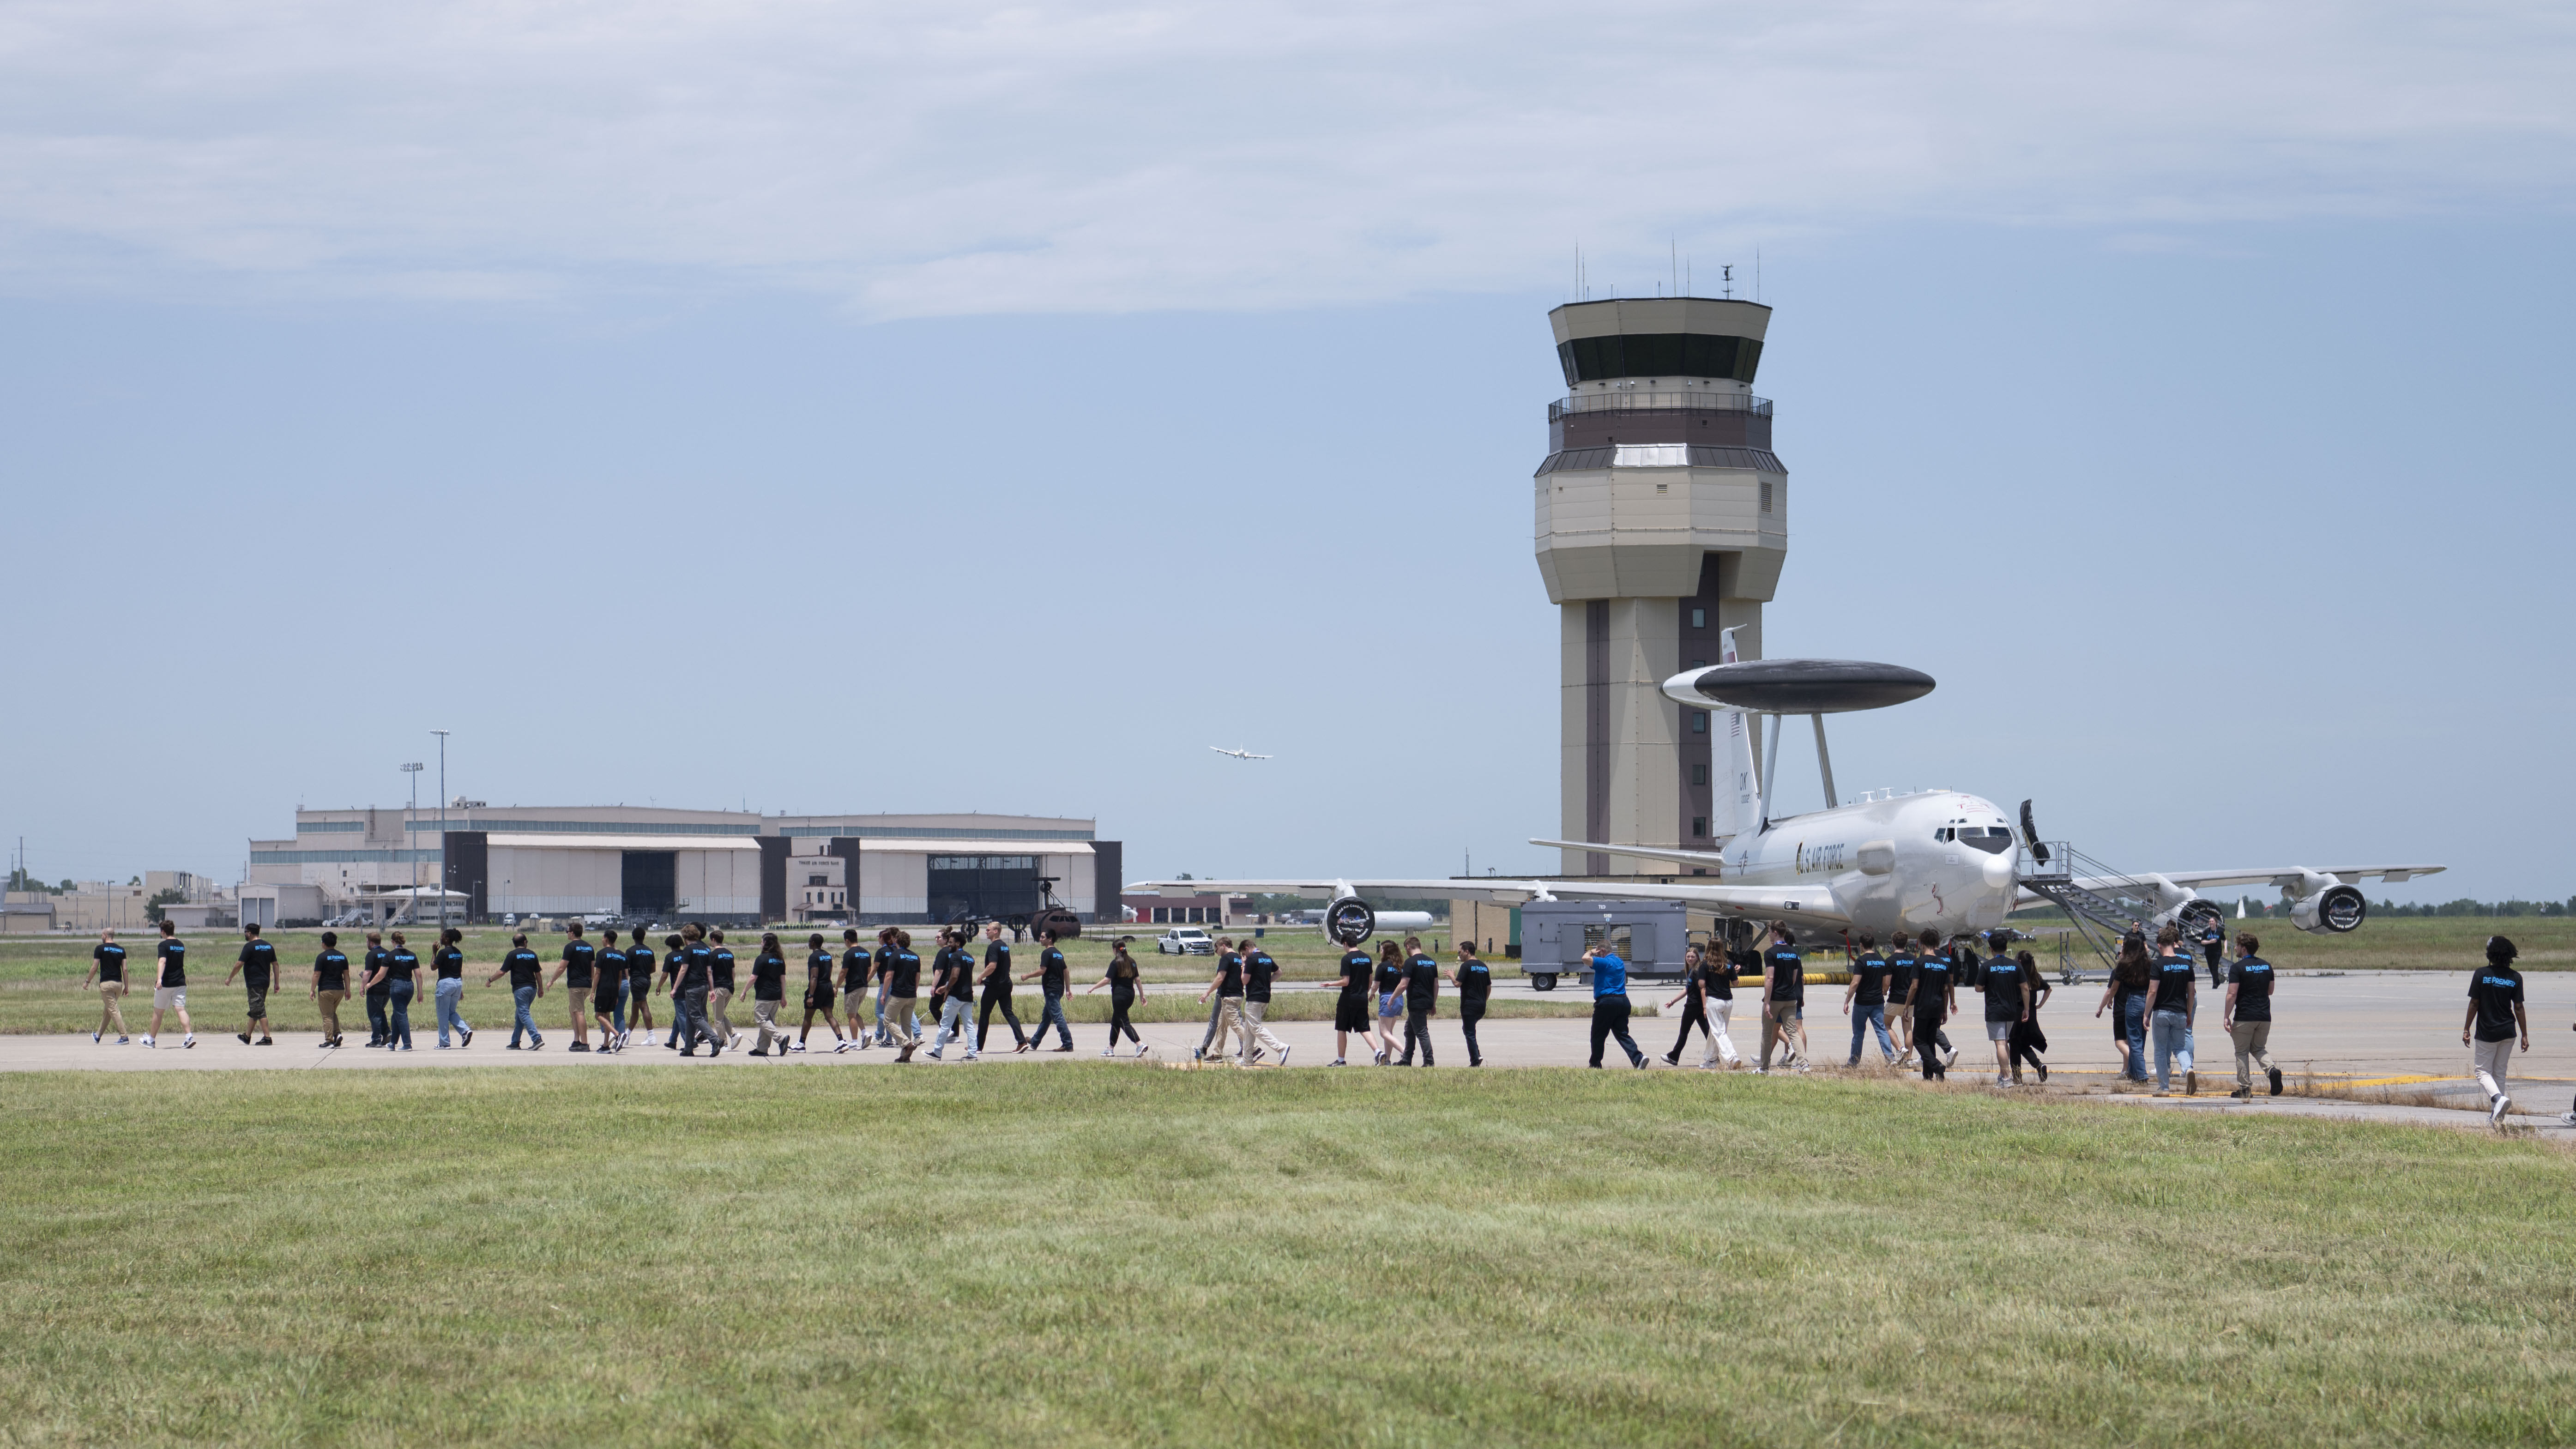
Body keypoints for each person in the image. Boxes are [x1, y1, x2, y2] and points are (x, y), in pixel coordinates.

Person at [2464, 936, 2528, 1128]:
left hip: (2487, 1032)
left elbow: (2475, 1003)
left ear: (2490, 954)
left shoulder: (2481, 974)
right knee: (2499, 1073)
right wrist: (2525, 1035)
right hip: (2508, 1032)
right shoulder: (2515, 977)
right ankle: (2496, 1117)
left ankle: (2498, 1099)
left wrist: (2467, 1028)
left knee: (2482, 1072)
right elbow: (2518, 1008)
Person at [2222, 931, 2280, 1099]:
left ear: (2244, 949)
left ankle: (2245, 1088)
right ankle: (2272, 1070)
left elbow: (2232, 994)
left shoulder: (2237, 968)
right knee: (2259, 1048)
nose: (2236, 948)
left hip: (2245, 1016)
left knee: (2241, 1052)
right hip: (2264, 1016)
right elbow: (2271, 991)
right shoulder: (2267, 966)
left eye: (2238, 946)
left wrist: (2227, 1016)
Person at [2142, 925, 2198, 1096]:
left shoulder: (2158, 965)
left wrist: (2146, 1014)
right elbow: (2191, 993)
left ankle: (2164, 1087)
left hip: (2162, 1012)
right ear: (2175, 944)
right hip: (2181, 1012)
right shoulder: (2186, 965)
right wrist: (2188, 1013)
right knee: (2179, 1048)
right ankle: (2188, 1069)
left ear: (2159, 945)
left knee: (2160, 1049)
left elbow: (2152, 992)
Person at [1972, 930, 2028, 1086]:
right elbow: (2025, 988)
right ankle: (2004, 1074)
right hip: (2011, 1010)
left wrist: (1987, 987)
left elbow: (1978, 988)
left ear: (1991, 949)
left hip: (1995, 1010)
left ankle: (2006, 1078)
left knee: (2000, 1044)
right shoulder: (2015, 966)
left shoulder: (1987, 967)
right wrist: (2026, 1008)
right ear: (2006, 947)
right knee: (2005, 1043)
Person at [2097, 933, 2152, 1085]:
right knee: (2140, 1040)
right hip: (2147, 1000)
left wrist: (2109, 1001)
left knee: (2134, 1040)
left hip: (2133, 1000)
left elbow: (2114, 987)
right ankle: (2135, 1073)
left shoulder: (2125, 964)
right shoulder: (2149, 963)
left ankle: (2141, 1075)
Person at [1586, 942, 1647, 1069]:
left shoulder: (1605, 962)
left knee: (1598, 1035)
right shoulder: (1619, 962)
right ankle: (1639, 1058)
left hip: (1607, 1002)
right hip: (1623, 1002)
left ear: (1602, 951)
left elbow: (1585, 959)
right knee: (1622, 1034)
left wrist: (1592, 952)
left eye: (1598, 951)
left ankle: (1595, 1064)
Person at [1756, 926, 1808, 1073]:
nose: (1769, 935)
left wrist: (1767, 1001)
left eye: (1770, 932)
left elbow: (1770, 978)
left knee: (1767, 1033)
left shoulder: (1770, 953)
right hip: (1790, 998)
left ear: (1776, 933)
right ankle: (1804, 1064)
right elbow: (1795, 978)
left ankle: (1764, 1067)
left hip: (1775, 998)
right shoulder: (1794, 953)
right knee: (1793, 1032)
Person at [1841, 935, 1896, 1068]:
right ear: (1873, 944)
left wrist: (1847, 1001)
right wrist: (1883, 990)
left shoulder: (1861, 961)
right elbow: (1885, 982)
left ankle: (1854, 1061)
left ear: (1861, 945)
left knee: (1859, 1033)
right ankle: (1891, 1059)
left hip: (1862, 1002)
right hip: (1877, 1002)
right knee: (1882, 1031)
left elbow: (1855, 983)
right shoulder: (1881, 960)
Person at [1018, 929, 1077, 1052]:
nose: (1040, 939)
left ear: (1050, 939)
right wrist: (1068, 989)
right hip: (1059, 989)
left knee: (1058, 1017)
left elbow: (1042, 971)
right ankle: (1034, 1042)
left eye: (1043, 937)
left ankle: (1068, 1043)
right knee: (1046, 1018)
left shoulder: (1047, 953)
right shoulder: (1059, 954)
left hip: (1051, 990)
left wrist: (1027, 976)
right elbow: (1066, 972)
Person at [487, 932, 547, 1050]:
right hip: (532, 989)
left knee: (524, 1013)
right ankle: (515, 1042)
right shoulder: (532, 954)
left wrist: (490, 980)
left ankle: (537, 1039)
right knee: (520, 1014)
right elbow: (538, 974)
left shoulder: (512, 955)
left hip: (521, 989)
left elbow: (502, 972)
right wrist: (541, 988)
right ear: (525, 942)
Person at [223, 923, 280, 1046]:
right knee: (256, 1008)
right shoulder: (269, 946)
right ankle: (247, 1036)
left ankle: (267, 1038)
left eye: (245, 932)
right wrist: (277, 983)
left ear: (249, 933)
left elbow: (239, 964)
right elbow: (275, 965)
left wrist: (229, 978)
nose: (245, 934)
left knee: (259, 1010)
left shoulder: (249, 947)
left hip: (254, 983)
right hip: (265, 982)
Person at [976, 922, 1029, 1054]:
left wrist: (981, 977)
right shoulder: (1005, 947)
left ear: (996, 931)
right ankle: (1022, 1041)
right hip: (1006, 984)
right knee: (1008, 1013)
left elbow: (992, 966)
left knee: (984, 1016)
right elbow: (1007, 965)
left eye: (988, 930)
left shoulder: (993, 947)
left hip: (994, 986)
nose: (986, 932)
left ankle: (977, 1047)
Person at [1087, 937, 1144, 1057]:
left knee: (1124, 1021)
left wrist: (1093, 988)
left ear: (1115, 950)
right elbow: (1138, 980)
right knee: (1116, 1021)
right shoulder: (1132, 962)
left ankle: (1139, 1044)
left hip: (1119, 996)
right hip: (1130, 995)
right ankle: (1110, 1048)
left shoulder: (1115, 963)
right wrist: (1142, 996)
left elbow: (1107, 980)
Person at [929, 929, 981, 1062]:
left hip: (956, 996)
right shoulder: (970, 957)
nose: (949, 945)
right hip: (968, 996)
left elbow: (955, 975)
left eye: (951, 942)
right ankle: (972, 1053)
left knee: (945, 1024)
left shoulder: (955, 956)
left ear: (958, 943)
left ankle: (937, 1052)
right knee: (969, 1025)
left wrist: (946, 988)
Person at [1237, 938, 1290, 1067]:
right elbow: (1279, 973)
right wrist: (1267, 982)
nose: (1244, 957)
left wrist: (1244, 965)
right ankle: (1247, 1058)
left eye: (1244, 954)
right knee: (1249, 1029)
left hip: (1254, 997)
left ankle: (1280, 1047)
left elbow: (1244, 980)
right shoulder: (1267, 958)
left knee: (1255, 1027)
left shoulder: (1252, 959)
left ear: (1247, 949)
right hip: (1265, 997)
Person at [144, 918, 194, 1049]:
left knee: (158, 1013)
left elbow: (162, 961)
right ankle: (189, 1036)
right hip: (180, 982)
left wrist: (159, 979)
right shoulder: (180, 945)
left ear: (163, 931)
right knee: (180, 1009)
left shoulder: (163, 945)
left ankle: (151, 1040)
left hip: (166, 984)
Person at [1910, 935, 1955, 1081]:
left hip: (1923, 1006)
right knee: (1930, 1041)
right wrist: (1945, 1010)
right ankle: (1929, 1076)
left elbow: (1914, 986)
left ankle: (1937, 1066)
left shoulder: (1919, 962)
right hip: (1937, 1006)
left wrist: (1906, 1006)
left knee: (1918, 1040)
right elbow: (1946, 989)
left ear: (1922, 945)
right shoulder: (1943, 964)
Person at [671, 924, 720, 1057]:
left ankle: (715, 1039)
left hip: (693, 987)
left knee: (696, 1017)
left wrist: (675, 988)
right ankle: (688, 1048)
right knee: (690, 1017)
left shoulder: (688, 950)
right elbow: (709, 972)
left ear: (685, 937)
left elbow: (683, 969)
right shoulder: (706, 950)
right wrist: (711, 989)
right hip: (704, 986)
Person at [549, 921, 597, 1053]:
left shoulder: (570, 947)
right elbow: (593, 967)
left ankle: (585, 1043)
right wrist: (591, 982)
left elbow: (561, 967)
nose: (567, 934)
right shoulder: (589, 947)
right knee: (574, 1011)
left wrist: (551, 981)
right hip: (587, 984)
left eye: (567, 931)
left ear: (572, 933)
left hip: (576, 985)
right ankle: (577, 1040)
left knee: (579, 1013)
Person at [2006, 948, 2051, 1083]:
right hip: (2031, 1013)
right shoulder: (2035, 977)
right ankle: (2038, 1065)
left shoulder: (2017, 976)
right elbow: (2048, 989)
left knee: (2014, 1043)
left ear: (2019, 961)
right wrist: (2040, 1005)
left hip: (2019, 1012)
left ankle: (2017, 1076)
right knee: (2023, 1044)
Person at [1195, 938, 1244, 1064]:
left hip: (1227, 996)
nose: (1216, 952)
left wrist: (1207, 993)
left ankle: (1253, 1048)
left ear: (1223, 946)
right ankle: (1218, 1054)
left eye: (1217, 949)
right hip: (1237, 994)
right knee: (1222, 1025)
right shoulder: (1239, 958)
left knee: (1236, 1025)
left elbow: (1220, 978)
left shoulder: (1226, 958)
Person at [798, 932, 848, 1053]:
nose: (809, 943)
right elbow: (830, 971)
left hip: (818, 988)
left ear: (813, 943)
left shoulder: (814, 957)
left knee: (808, 1017)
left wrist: (811, 995)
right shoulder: (827, 955)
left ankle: (801, 1044)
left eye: (810, 941)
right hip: (828, 986)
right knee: (829, 1015)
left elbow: (814, 977)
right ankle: (841, 1041)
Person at [746, 931, 792, 1057]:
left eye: (762, 941)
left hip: (764, 995)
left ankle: (781, 1038)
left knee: (760, 1019)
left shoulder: (762, 958)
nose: (761, 943)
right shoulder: (780, 959)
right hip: (776, 995)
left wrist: (744, 991)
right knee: (768, 1021)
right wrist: (783, 997)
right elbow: (783, 979)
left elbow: (753, 978)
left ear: (766, 943)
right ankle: (762, 1048)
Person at [881, 930, 924, 1062]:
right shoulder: (915, 957)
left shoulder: (895, 955)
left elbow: (889, 976)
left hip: (898, 994)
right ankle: (905, 1056)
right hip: (911, 995)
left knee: (888, 1021)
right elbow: (918, 977)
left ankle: (906, 1043)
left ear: (896, 941)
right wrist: (914, 990)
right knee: (906, 1025)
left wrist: (884, 994)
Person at [1398, 937, 1439, 1067]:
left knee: (1422, 1032)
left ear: (1408, 947)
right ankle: (1406, 1059)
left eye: (1406, 949)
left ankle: (1429, 1061)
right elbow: (1436, 985)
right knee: (1409, 1030)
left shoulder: (1410, 962)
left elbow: (1404, 984)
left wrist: (1392, 998)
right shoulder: (1431, 962)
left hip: (1416, 1002)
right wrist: (1433, 1003)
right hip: (1427, 1001)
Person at [432, 927, 476, 1049]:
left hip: (446, 984)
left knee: (443, 1014)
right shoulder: (458, 953)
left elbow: (433, 967)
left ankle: (444, 1043)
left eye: (443, 936)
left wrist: (434, 953)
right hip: (457, 983)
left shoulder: (443, 953)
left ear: (447, 939)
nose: (441, 938)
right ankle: (465, 1031)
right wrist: (460, 989)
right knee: (451, 1012)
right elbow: (459, 970)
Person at [379, 930, 421, 1051]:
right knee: (397, 1013)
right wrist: (420, 992)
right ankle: (393, 1043)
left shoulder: (390, 956)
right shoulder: (412, 955)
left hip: (397, 986)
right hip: (410, 986)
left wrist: (370, 983)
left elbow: (382, 974)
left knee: (401, 1014)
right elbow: (419, 974)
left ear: (393, 942)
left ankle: (407, 1044)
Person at [1452, 941, 1493, 1067]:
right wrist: (1483, 1001)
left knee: (1470, 1033)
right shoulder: (1483, 966)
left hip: (1469, 1005)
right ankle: (1477, 1054)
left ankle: (1475, 1061)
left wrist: (1452, 976)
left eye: (1460, 952)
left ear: (1467, 952)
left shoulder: (1466, 966)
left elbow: (1457, 984)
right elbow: (1489, 987)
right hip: (1481, 1005)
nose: (1459, 955)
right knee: (1468, 1029)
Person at [87, 928, 130, 1044]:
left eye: (102, 935)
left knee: (114, 1010)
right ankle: (98, 1036)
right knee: (108, 1011)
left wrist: (87, 982)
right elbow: (125, 970)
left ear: (105, 935)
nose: (101, 936)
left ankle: (124, 1037)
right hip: (118, 985)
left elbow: (94, 968)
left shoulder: (100, 949)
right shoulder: (121, 950)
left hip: (106, 985)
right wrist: (127, 987)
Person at [310, 930, 350, 1048]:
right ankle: (337, 1034)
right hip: (340, 990)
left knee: (327, 1016)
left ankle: (329, 1041)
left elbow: (317, 974)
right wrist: (348, 990)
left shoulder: (322, 957)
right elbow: (346, 975)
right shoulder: (342, 956)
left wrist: (312, 990)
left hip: (326, 990)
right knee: (332, 1013)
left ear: (324, 944)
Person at [1371, 940, 1407, 1066]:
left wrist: (1371, 994)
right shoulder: (1400, 966)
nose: (1380, 952)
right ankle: (1387, 1060)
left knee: (1384, 1032)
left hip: (1387, 998)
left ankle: (1404, 1052)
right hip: (1399, 999)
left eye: (1381, 950)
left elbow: (1376, 985)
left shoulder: (1383, 966)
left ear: (1386, 952)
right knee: (1389, 1032)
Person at [1885, 932, 1917, 1068]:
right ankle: (1909, 1058)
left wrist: (1883, 991)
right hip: (1910, 999)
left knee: (1885, 1025)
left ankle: (1899, 1048)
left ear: (1893, 943)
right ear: (1906, 943)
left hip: (1895, 998)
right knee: (1908, 1028)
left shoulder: (1891, 960)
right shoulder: (1914, 959)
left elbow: (1887, 982)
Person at [591, 930, 626, 1052]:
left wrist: (593, 991)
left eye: (602, 938)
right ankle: (606, 1045)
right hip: (614, 989)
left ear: (606, 939)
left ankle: (617, 1035)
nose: (602, 940)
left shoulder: (601, 954)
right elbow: (620, 976)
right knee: (607, 1015)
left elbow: (598, 973)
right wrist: (617, 992)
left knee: (599, 1015)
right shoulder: (619, 955)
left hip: (604, 988)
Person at [706, 927, 738, 1051]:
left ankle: (723, 1043)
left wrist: (711, 989)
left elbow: (710, 972)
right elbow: (733, 972)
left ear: (713, 940)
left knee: (718, 1019)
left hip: (718, 988)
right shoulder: (729, 954)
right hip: (729, 987)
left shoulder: (713, 955)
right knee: (720, 1014)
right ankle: (734, 1034)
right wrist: (732, 985)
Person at [624, 925, 657, 1048]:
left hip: (637, 981)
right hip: (647, 980)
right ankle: (627, 1036)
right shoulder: (649, 951)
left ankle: (651, 1036)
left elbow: (626, 968)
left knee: (644, 1007)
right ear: (644, 937)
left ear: (633, 937)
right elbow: (653, 969)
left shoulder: (631, 951)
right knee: (635, 1008)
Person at [360, 930, 391, 1048]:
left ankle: (376, 1039)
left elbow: (368, 973)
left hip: (375, 989)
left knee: (374, 1014)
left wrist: (363, 986)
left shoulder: (371, 955)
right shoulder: (388, 953)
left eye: (367, 942)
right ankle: (387, 1032)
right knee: (380, 1011)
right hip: (387, 988)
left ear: (372, 943)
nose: (367, 944)